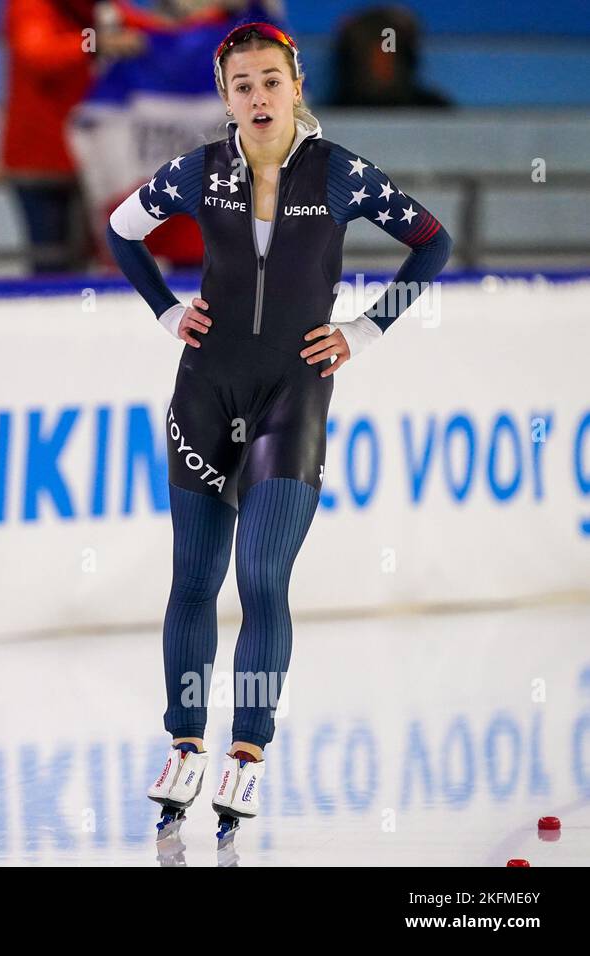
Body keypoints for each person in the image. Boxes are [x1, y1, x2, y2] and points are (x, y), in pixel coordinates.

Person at [105, 22, 452, 841]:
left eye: (271, 81)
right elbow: (123, 232)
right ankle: (185, 745)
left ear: (297, 84)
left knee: (261, 577)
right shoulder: (201, 170)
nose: (258, 98)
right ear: (225, 98)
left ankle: (247, 753)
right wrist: (163, 308)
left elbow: (431, 246)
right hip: (203, 391)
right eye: (242, 86)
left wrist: (363, 332)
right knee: (195, 578)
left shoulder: (341, 174)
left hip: (293, 398)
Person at [2, 0, 147, 273]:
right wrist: (96, 43)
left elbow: (147, 29)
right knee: (52, 264)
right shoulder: (29, 6)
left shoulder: (98, 7)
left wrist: (211, 18)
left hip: (90, 162)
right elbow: (37, 55)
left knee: (91, 262)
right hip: (40, 162)